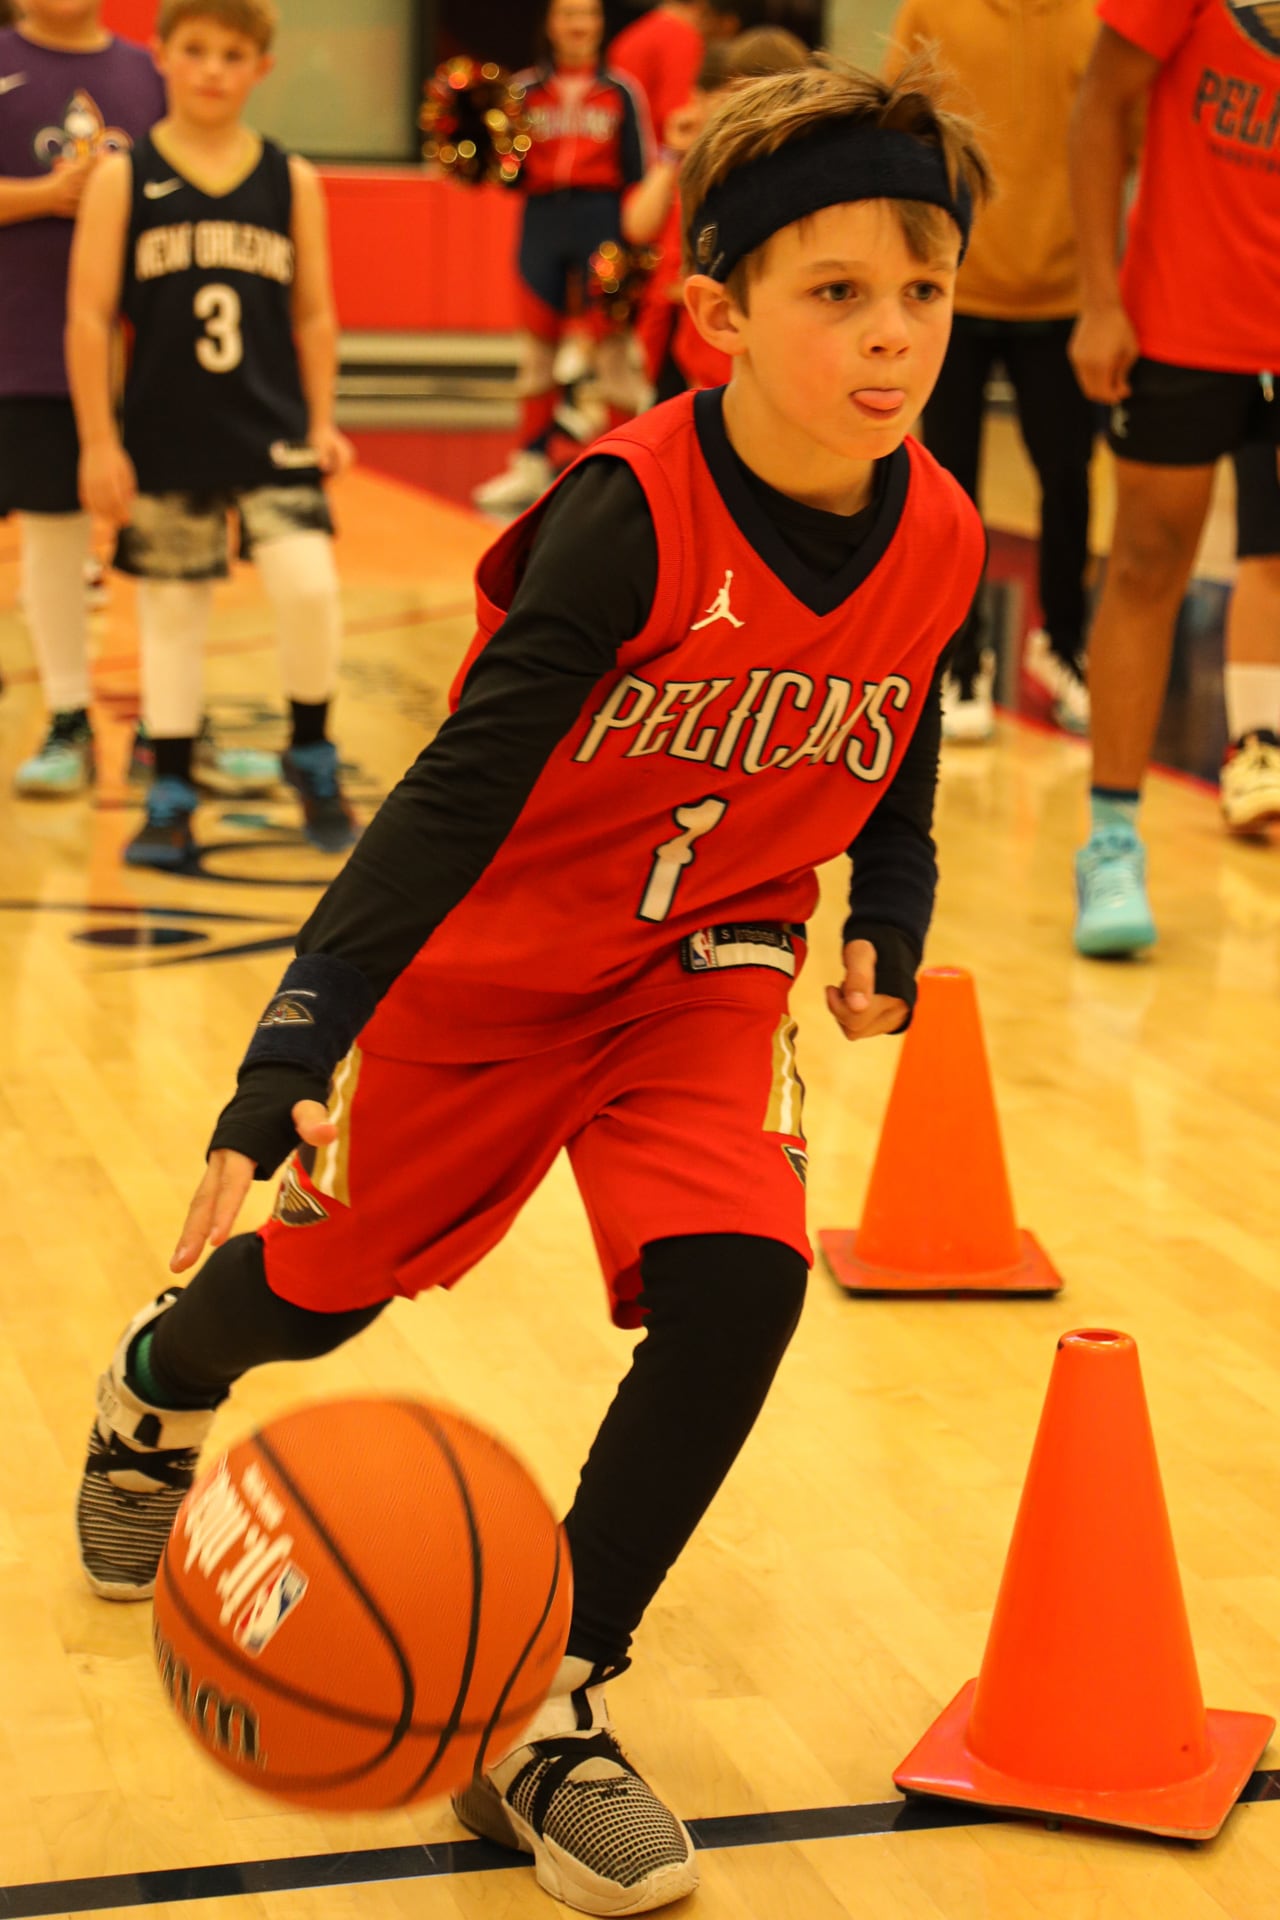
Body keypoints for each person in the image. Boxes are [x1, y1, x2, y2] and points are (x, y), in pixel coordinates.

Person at [75, 55, 989, 1917]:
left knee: (742, 1287)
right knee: (317, 1297)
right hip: (490, 972)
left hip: (708, 969)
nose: (894, 336)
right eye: (838, 293)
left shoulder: (947, 531)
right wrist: (295, 1041)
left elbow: (896, 748)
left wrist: (889, 909)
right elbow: (451, 793)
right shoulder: (626, 516)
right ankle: (157, 1384)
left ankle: (549, 1702)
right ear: (718, 312)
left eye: (926, 287)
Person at [67, 0, 358, 870]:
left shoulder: (289, 178)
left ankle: (310, 749)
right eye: (195, 50)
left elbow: (315, 314)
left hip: (271, 426)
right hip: (165, 429)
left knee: (309, 587)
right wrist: (99, 441)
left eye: (233, 55)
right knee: (172, 611)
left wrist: (324, 420)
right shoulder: (124, 177)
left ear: (261, 68)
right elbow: (89, 318)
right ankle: (171, 786)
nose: (212, 70)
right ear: (160, 54)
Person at [1070, 1, 1280, 955]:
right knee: (1148, 566)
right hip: (1182, 322)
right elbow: (1100, 105)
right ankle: (1111, 842)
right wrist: (1098, 299)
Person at [886, 0, 1104, 743]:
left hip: (1062, 292)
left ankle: (1063, 644)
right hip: (954, 283)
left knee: (1068, 481)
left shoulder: (1095, 18)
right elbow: (896, 127)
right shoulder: (933, 8)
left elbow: (1126, 140)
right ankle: (962, 655)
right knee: (950, 485)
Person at [0, 0, 162, 793]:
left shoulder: (150, 74)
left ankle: (174, 720)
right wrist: (47, 195)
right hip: (22, 349)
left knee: (168, 539)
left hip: (144, 360)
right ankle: (67, 715)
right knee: (53, 533)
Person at [472, 0, 650, 514]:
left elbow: (638, 169)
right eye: (568, 15)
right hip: (543, 218)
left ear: (600, 24)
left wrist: (636, 241)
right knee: (536, 349)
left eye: (588, 15)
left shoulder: (622, 91)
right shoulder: (523, 91)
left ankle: (624, 468)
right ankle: (529, 465)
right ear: (550, 24)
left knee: (612, 348)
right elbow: (505, 171)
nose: (578, 25)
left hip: (603, 218)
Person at [624, 27, 809, 397]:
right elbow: (637, 225)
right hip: (695, 336)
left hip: (753, 333)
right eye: (735, 97)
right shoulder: (700, 160)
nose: (746, 109)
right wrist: (672, 154)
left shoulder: (798, 165)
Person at [607, 0, 706, 147]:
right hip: (656, 150)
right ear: (701, 5)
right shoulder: (681, 36)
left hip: (622, 146)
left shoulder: (629, 36)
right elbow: (675, 113)